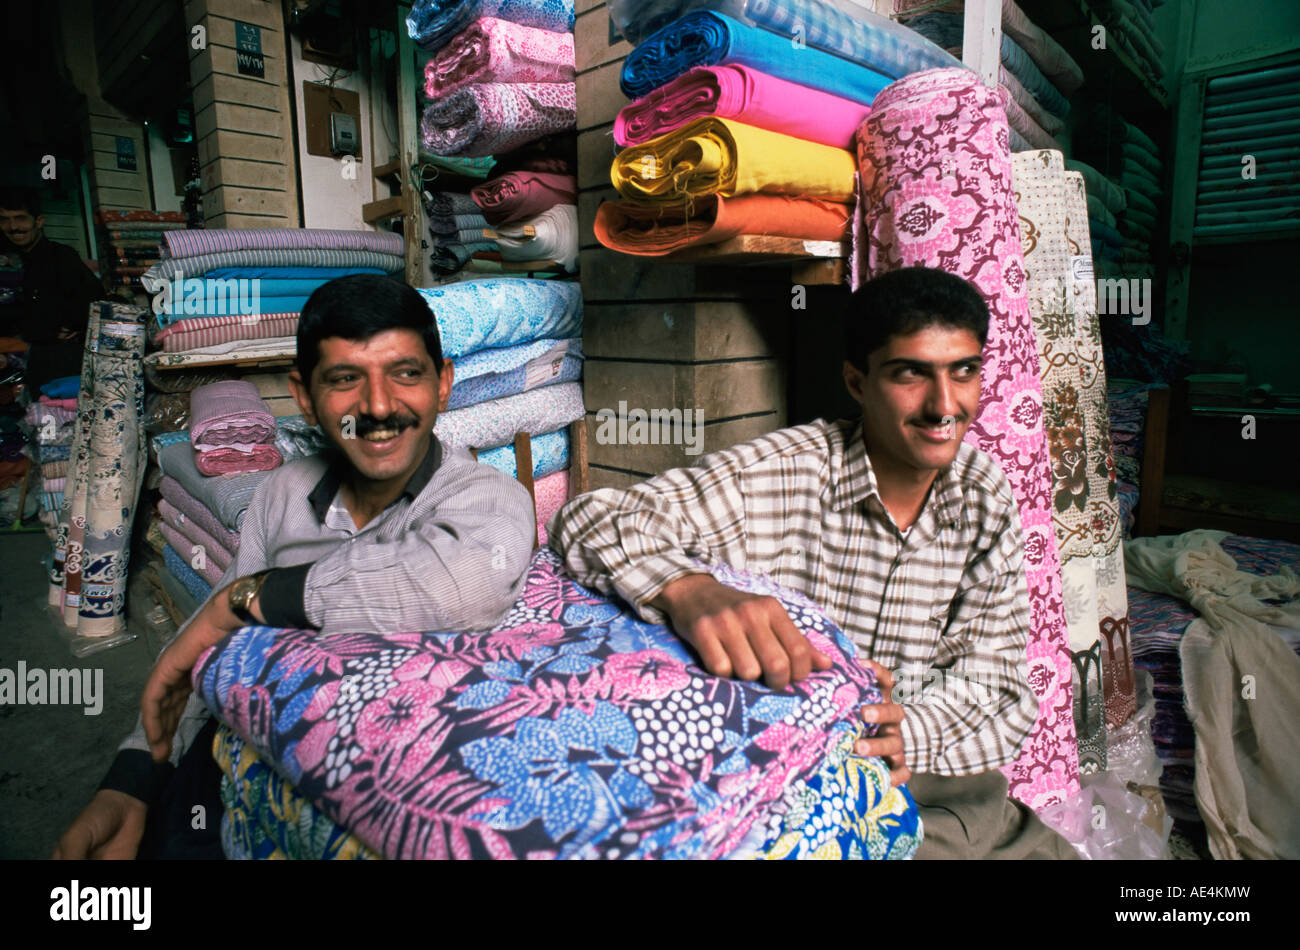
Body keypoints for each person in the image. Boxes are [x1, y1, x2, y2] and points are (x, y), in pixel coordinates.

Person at [548, 266, 1078, 859]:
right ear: (857, 381)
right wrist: (688, 589)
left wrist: (909, 730)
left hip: (935, 780)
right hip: (801, 784)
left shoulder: (982, 491)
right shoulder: (784, 471)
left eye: (964, 371)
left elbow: (998, 687)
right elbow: (590, 518)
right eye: (911, 374)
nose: (944, 406)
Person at [52, 274, 537, 859]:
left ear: (444, 383)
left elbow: (457, 584)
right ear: (304, 396)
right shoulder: (283, 492)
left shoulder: (487, 497)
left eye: (406, 373)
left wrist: (253, 597)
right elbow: (217, 645)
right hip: (248, 755)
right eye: (344, 379)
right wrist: (133, 777)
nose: (379, 407)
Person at [0, 187, 104, 389]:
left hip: (53, 366)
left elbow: (93, 303)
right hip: (9, 369)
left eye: (20, 218)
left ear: (38, 221)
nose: (13, 227)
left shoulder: (62, 257)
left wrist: (61, 326)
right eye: (4, 219)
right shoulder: (4, 264)